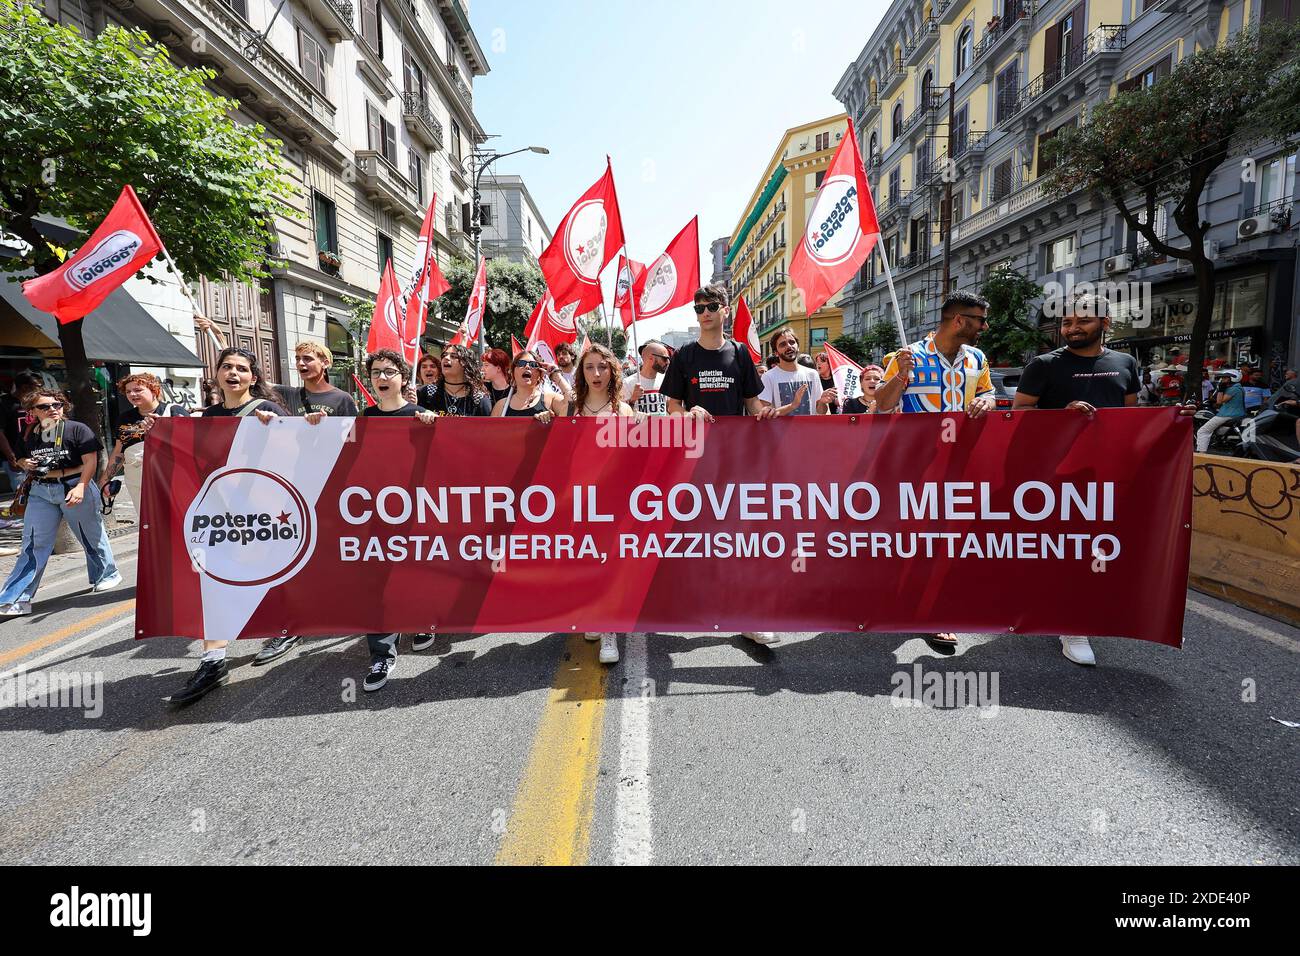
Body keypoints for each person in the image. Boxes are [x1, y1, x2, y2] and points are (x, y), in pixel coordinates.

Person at [875, 290, 996, 652]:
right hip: (916, 465)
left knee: (947, 536)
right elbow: (881, 406)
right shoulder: (907, 356)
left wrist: (985, 401)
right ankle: (901, 602)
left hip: (960, 463)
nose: (984, 327)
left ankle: (936, 612)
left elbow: (990, 394)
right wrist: (901, 377)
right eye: (979, 320)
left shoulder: (977, 358)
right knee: (915, 536)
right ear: (959, 320)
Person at [661, 284, 779, 645]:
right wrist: (689, 411)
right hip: (694, 464)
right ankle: (695, 605)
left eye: (712, 306)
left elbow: (753, 404)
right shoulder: (684, 355)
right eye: (699, 308)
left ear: (725, 310)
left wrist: (769, 414)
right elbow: (672, 407)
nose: (705, 312)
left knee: (737, 538)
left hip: (734, 462)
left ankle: (747, 616)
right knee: (697, 539)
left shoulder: (740, 353)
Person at [355, 350, 438, 692]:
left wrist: (435, 426)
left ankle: (420, 620)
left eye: (390, 371)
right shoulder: (364, 417)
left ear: (404, 378)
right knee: (376, 583)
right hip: (376, 512)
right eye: (376, 372)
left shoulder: (421, 415)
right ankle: (382, 653)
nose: (382, 378)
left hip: (416, 509)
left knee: (416, 571)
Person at [0, 389, 122, 616]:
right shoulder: (29, 434)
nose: (52, 409)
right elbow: (18, 457)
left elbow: (90, 461)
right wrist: (25, 462)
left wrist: (81, 487)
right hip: (40, 490)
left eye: (57, 404)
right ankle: (14, 598)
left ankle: (106, 574)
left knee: (90, 535)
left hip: (74, 485)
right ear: (32, 412)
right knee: (33, 543)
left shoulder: (77, 429)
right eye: (44, 407)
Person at [568, 342, 636, 663]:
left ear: (612, 371)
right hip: (580, 496)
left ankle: (610, 628)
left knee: (610, 561)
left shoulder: (623, 411)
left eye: (602, 367)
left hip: (613, 497)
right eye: (589, 367)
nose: (596, 374)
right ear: (581, 373)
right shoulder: (570, 408)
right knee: (587, 560)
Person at [98, 373, 187, 519]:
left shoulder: (173, 411)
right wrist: (105, 480)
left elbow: (189, 445)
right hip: (137, 480)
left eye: (138, 390)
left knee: (176, 520)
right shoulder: (124, 418)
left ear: (154, 390)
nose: (132, 394)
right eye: (128, 391)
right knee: (148, 523)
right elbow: (119, 450)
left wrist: (161, 430)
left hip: (170, 479)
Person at [758, 328, 837, 415]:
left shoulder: (812, 374)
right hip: (781, 429)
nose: (789, 346)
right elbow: (765, 414)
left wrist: (822, 401)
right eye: (783, 344)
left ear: (798, 347)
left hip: (809, 428)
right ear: (776, 352)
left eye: (792, 342)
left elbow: (821, 412)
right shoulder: (768, 377)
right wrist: (792, 405)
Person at [272, 341, 359, 418]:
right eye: (298, 359)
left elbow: (354, 434)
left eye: (307, 359)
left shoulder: (343, 399)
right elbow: (261, 384)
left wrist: (327, 425)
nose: (300, 363)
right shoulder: (288, 394)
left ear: (325, 363)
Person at [417, 344, 493, 417]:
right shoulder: (426, 392)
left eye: (453, 356)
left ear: (465, 364)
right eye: (444, 355)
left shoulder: (479, 399)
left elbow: (486, 429)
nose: (446, 358)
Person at [492, 350, 568, 420]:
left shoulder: (551, 400)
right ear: (513, 372)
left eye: (533, 365)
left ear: (540, 374)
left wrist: (557, 375)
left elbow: (575, 409)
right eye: (521, 363)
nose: (527, 366)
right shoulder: (500, 406)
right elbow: (490, 433)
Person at [1, 371, 42, 493]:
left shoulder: (37, 402)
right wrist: (11, 456)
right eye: (39, 386)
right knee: (23, 493)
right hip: (16, 456)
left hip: (36, 454)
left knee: (41, 492)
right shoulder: (4, 403)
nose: (41, 389)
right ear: (25, 387)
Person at [1196, 369, 1246, 453]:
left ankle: (1201, 453)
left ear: (1233, 378)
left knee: (1203, 431)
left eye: (1225, 378)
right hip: (1237, 414)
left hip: (1227, 414)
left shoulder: (1233, 389)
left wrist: (1221, 390)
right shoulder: (1239, 388)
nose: (1222, 380)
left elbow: (1219, 402)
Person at [621, 339, 671, 416]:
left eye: (668, 359)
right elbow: (622, 415)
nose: (668, 362)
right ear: (651, 358)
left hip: (662, 427)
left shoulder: (666, 380)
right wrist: (633, 400)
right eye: (664, 358)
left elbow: (670, 410)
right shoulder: (627, 383)